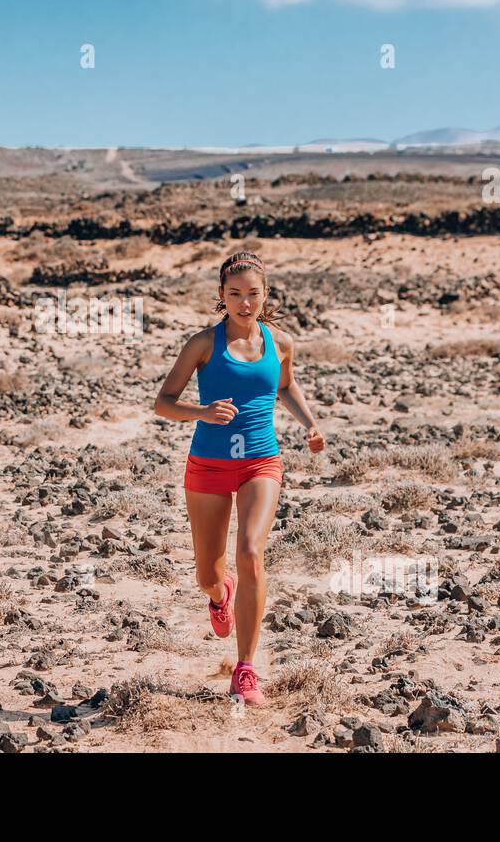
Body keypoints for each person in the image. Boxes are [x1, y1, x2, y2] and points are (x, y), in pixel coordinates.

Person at [153, 251, 325, 704]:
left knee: (250, 551)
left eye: (253, 294)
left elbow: (284, 385)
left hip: (260, 462)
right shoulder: (202, 344)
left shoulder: (281, 342)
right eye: (235, 294)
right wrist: (202, 412)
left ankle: (246, 669)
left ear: (265, 295)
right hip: (208, 464)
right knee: (207, 575)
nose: (244, 303)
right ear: (222, 296)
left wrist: (308, 422)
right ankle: (219, 593)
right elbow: (164, 402)